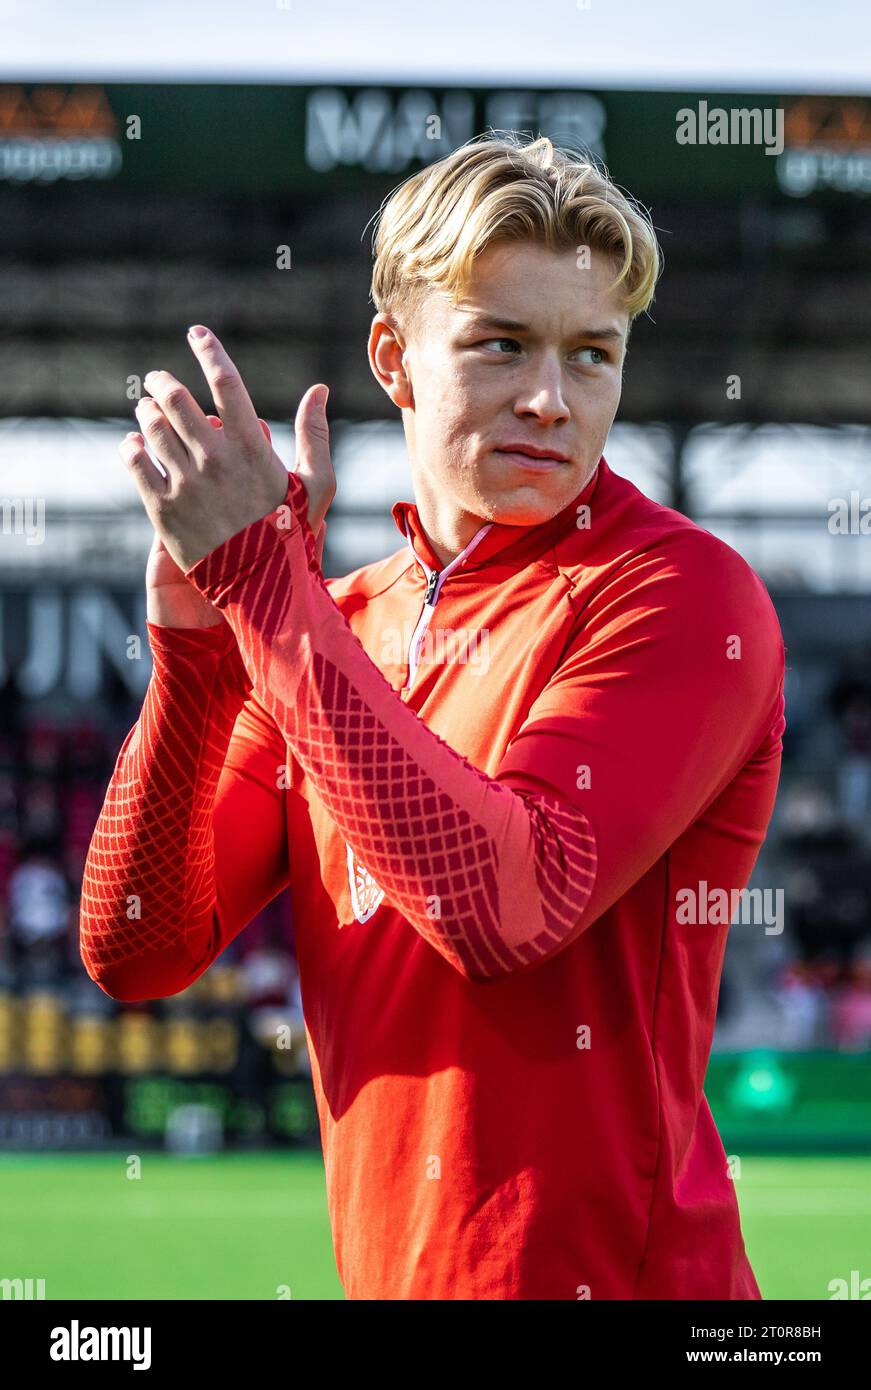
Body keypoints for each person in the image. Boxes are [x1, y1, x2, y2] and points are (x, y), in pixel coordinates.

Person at [79, 133, 786, 1300]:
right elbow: (138, 943)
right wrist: (201, 652)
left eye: (591, 354)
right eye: (501, 345)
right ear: (393, 359)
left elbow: (506, 908)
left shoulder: (678, 594)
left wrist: (262, 593)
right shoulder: (329, 621)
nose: (550, 398)